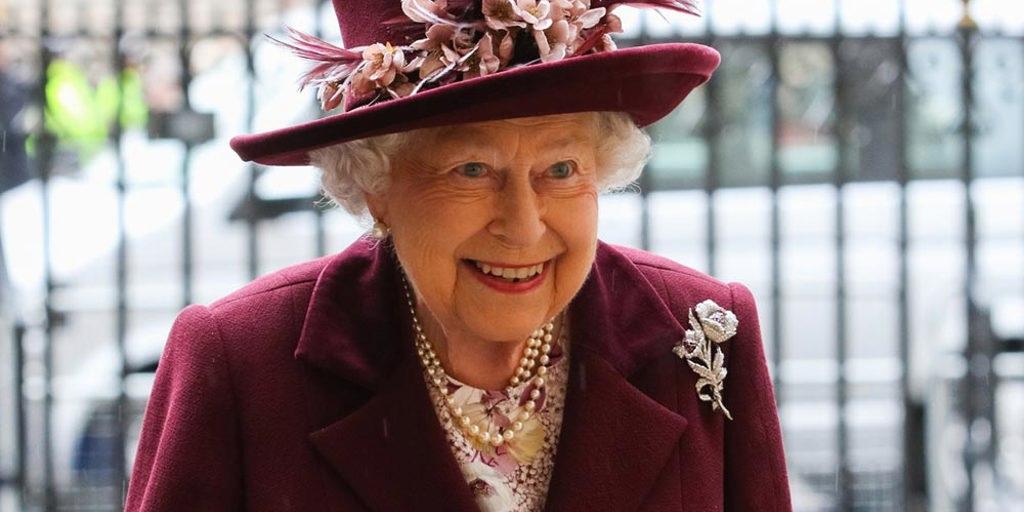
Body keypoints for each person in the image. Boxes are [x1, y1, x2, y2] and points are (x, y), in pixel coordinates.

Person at [126, 0, 791, 510]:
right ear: (376, 187)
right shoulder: (243, 363)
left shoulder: (703, 333)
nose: (524, 226)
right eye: (471, 169)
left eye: (561, 168)